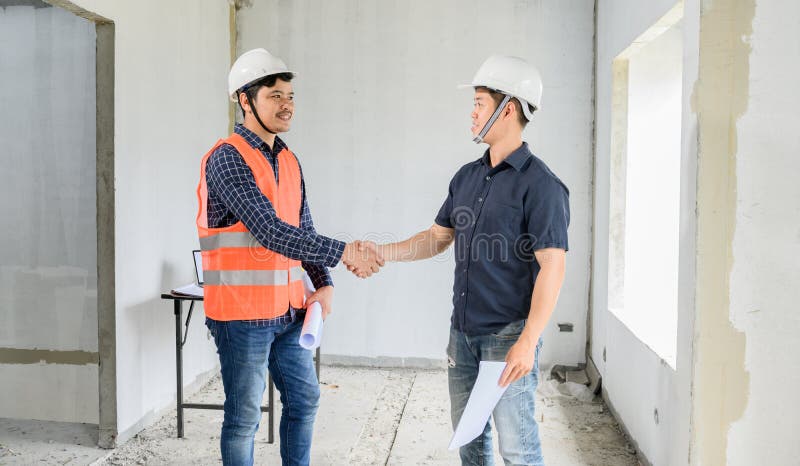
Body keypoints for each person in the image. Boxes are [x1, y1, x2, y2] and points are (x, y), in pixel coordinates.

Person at [365, 55, 569, 465]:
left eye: (479, 103)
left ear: (508, 108)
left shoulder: (541, 185)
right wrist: (381, 252)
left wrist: (528, 341)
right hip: (463, 335)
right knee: (470, 441)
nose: (472, 113)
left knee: (518, 449)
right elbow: (436, 238)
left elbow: (553, 265)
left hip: (508, 336)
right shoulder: (466, 177)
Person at [196, 48, 383, 466]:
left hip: (289, 311)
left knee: (304, 400)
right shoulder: (227, 159)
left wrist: (325, 284)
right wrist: (345, 252)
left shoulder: (288, 159)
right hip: (241, 317)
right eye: (275, 95)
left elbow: (303, 232)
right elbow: (270, 231)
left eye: (291, 96)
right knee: (244, 418)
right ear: (245, 101)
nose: (287, 105)